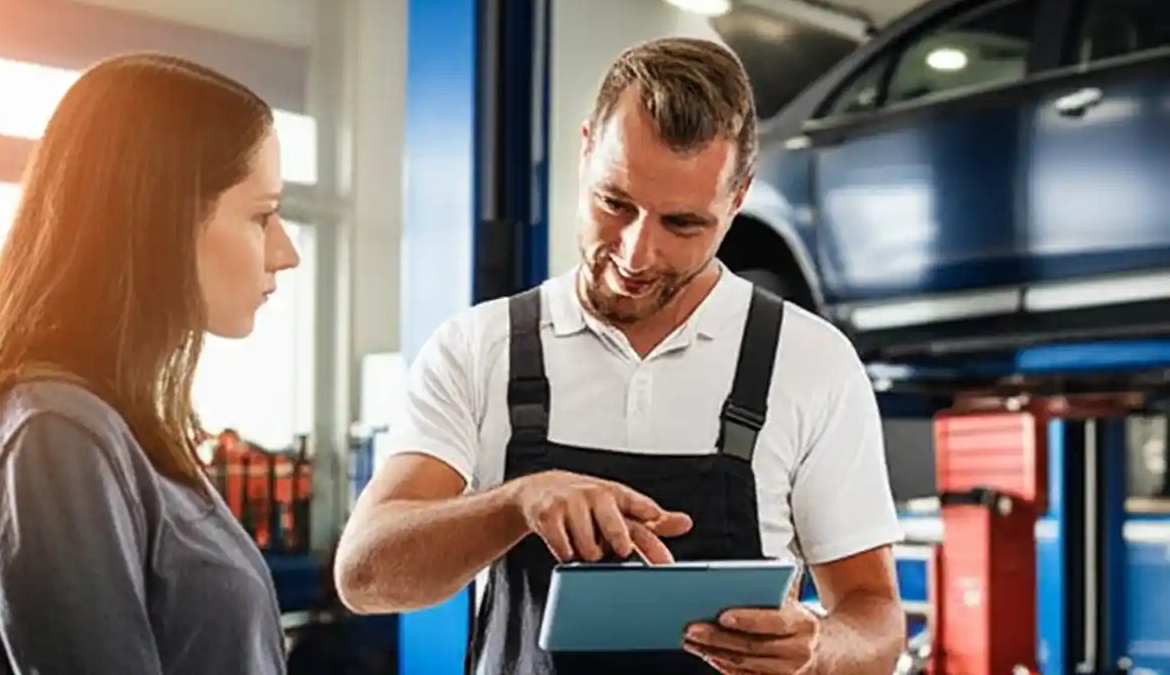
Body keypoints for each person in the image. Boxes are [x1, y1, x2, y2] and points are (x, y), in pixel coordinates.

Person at [335, 36, 906, 674]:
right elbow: (365, 575)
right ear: (585, 151)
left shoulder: (810, 362)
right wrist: (517, 502)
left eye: (682, 224)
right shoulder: (480, 349)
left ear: (737, 198)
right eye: (615, 203)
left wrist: (822, 649)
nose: (637, 255)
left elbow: (876, 617)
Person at [0, 53, 300, 674]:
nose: (285, 254)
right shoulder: (54, 437)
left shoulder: (124, 429)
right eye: (261, 215)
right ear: (163, 218)